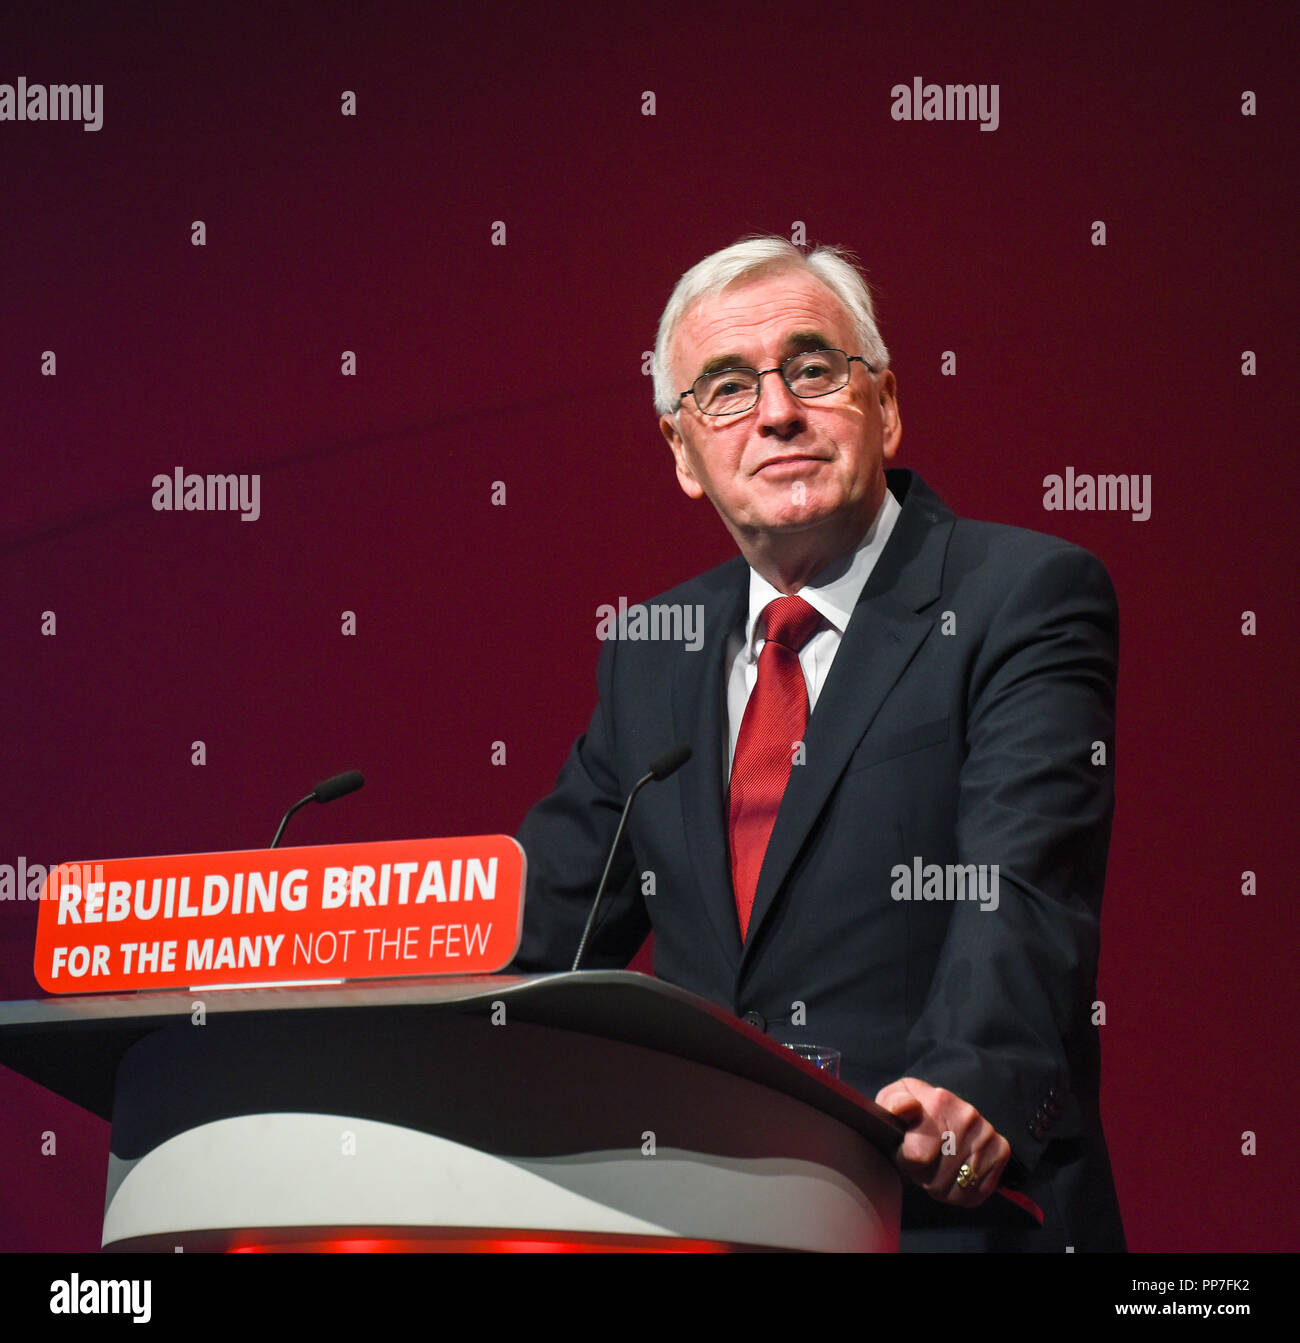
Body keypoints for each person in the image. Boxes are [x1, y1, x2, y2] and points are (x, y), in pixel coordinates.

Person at [511, 236, 1125, 1252]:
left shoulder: (1021, 596)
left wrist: (965, 1082)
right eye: (724, 387)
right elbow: (545, 922)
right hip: (707, 1218)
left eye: (809, 368)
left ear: (884, 404)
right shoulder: (653, 651)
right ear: (680, 450)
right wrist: (332, 984)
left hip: (936, 1209)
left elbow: (1019, 882)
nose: (776, 411)